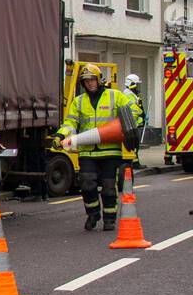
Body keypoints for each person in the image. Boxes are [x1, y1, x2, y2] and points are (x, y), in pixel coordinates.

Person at [57, 64, 142, 231]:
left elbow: (133, 110)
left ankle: (109, 218)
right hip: (87, 152)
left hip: (110, 152)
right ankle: (93, 213)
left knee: (109, 186)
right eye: (86, 81)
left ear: (99, 80)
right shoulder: (79, 101)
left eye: (92, 80)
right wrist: (61, 135)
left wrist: (124, 122)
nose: (89, 83)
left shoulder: (115, 96)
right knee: (87, 184)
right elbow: (71, 122)